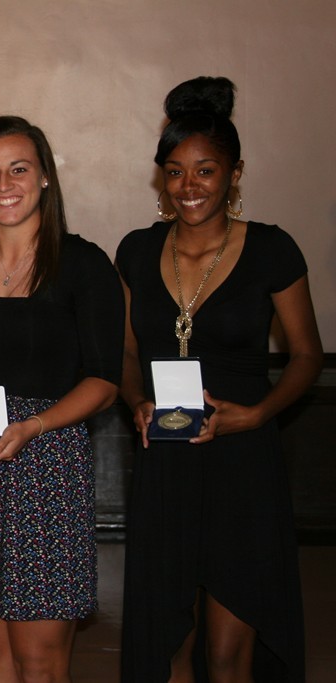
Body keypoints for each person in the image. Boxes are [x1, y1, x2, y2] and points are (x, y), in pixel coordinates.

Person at [117, 77, 321, 682]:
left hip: (244, 463)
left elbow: (307, 355)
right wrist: (136, 403)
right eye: (175, 171)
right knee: (169, 644)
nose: (189, 186)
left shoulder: (273, 250)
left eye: (206, 170)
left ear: (235, 172)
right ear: (162, 178)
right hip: (166, 463)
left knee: (230, 651)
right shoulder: (134, 251)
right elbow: (125, 355)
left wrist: (258, 414)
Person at [0, 116, 124, 682]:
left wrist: (34, 427)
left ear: (44, 179)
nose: (3, 183)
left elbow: (105, 380)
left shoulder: (84, 264)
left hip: (48, 467)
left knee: (39, 662)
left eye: (18, 169)